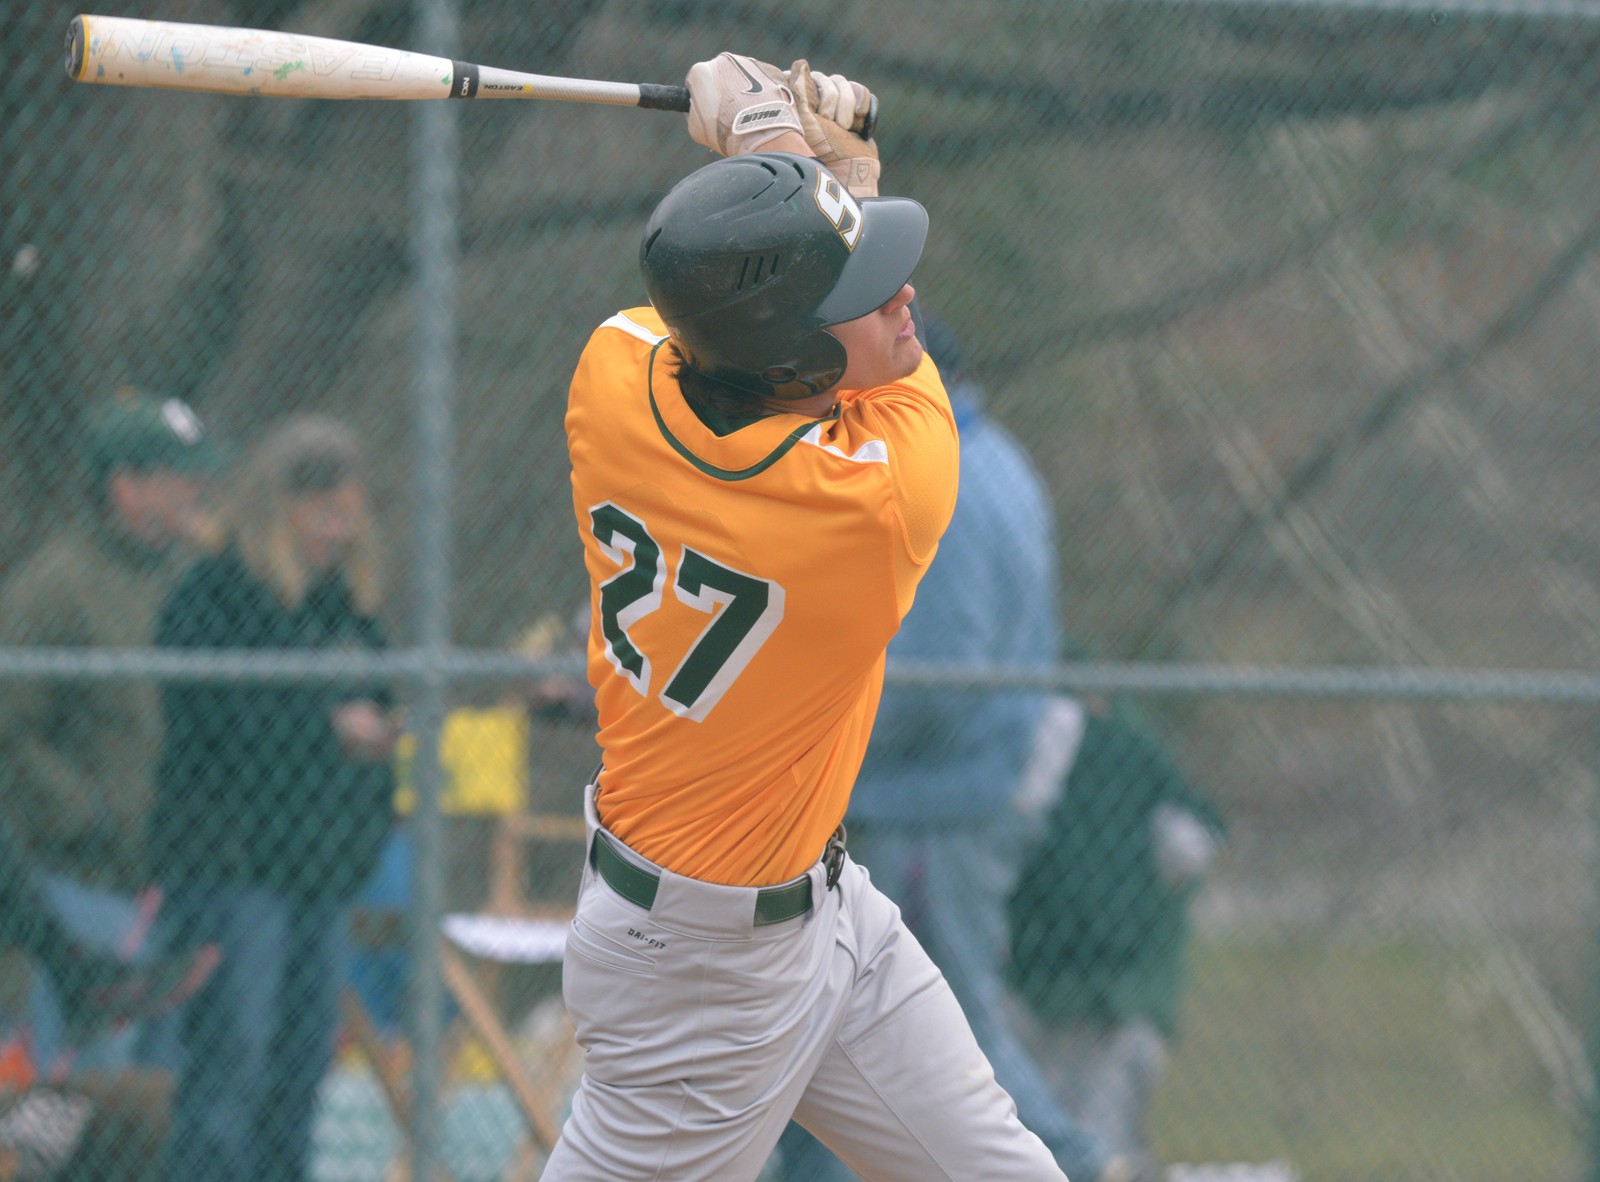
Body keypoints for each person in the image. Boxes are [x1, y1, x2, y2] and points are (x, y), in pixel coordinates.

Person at [543, 52, 1066, 1181]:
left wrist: (796, 175)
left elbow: (707, 288)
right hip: (698, 978)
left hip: (821, 908)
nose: (904, 298)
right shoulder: (873, 506)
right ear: (792, 363)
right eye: (864, 296)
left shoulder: (612, 374)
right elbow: (860, 367)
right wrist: (782, 146)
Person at [773, 317, 1131, 1182]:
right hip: (953, 790)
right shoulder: (993, 456)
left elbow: (938, 676)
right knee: (850, 1024)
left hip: (939, 799)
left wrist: (819, 739)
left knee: (944, 1032)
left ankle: (1075, 1165)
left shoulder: (953, 476)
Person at [147, 415, 400, 1182]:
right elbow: (223, 716)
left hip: (316, 871)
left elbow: (377, 697)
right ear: (278, 508)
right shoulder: (218, 593)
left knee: (299, 1069)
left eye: (347, 512)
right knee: (232, 1063)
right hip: (233, 866)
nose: (336, 529)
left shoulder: (342, 609)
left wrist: (376, 729)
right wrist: (326, 726)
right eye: (319, 510)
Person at [0, 389, 225, 1071]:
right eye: (178, 475)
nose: (198, 489)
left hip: (171, 880)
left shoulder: (192, 584)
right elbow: (9, 729)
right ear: (126, 486)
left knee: (163, 1090)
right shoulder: (56, 588)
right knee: (92, 1084)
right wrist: (86, 812)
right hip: (79, 882)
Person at [1006, 690, 1227, 1181]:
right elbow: (1191, 848)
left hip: (1060, 986)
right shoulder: (1129, 745)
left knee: (1063, 1141)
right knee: (1078, 1143)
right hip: (1066, 988)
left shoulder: (1039, 738)